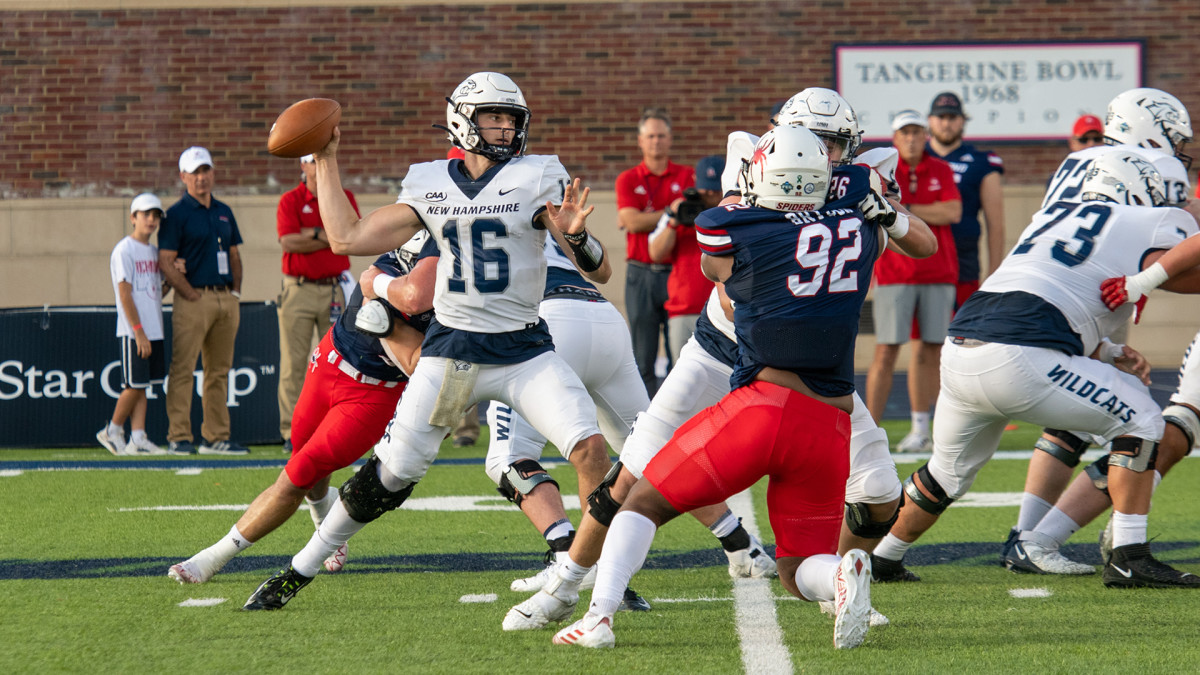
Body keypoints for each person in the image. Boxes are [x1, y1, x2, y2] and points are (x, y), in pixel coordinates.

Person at [241, 71, 615, 611]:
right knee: (390, 476)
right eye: (494, 116)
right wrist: (324, 159)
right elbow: (347, 238)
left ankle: (588, 584)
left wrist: (578, 236)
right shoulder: (429, 181)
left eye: (512, 118)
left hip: (524, 351)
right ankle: (300, 568)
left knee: (590, 451)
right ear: (464, 120)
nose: (506, 127)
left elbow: (598, 272)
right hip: (452, 354)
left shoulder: (539, 176)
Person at [551, 124, 931, 650]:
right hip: (831, 422)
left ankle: (597, 620)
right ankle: (841, 577)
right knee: (799, 570)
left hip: (765, 406)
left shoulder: (737, 227)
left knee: (642, 502)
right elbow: (913, 238)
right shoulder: (861, 228)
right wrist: (868, 200)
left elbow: (714, 264)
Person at [871, 150, 1200, 589]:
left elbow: (1047, 293)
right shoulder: (1146, 220)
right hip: (1020, 356)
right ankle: (1129, 556)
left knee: (946, 472)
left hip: (964, 344)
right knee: (1141, 417)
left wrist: (1104, 351)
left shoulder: (1051, 217)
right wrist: (1143, 282)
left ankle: (883, 558)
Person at [999, 87, 1197, 571]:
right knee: (1145, 421)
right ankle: (1081, 540)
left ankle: (1028, 534)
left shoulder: (1077, 161)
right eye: (1172, 137)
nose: (1178, 150)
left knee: (1078, 420)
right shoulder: (1150, 166)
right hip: (1099, 288)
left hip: (1051, 282)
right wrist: (1143, 280)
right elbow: (1178, 245)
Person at [168, 236, 437, 583]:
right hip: (330, 362)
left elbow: (419, 364)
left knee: (299, 473)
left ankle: (211, 558)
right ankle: (325, 516)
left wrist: (393, 326)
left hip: (374, 395)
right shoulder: (387, 271)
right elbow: (380, 297)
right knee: (301, 450)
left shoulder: (452, 294)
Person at [484, 233, 654, 611]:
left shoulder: (458, 203)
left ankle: (568, 555)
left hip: (544, 320)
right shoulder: (546, 205)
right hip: (603, 314)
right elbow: (603, 268)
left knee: (507, 458)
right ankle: (740, 543)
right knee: (652, 454)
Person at [864, 110, 962, 453]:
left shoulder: (941, 168)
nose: (911, 138)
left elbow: (953, 211)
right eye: (904, 132)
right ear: (895, 137)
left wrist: (905, 208)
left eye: (916, 132)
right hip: (895, 271)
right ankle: (868, 430)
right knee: (887, 349)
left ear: (926, 135)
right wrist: (922, 211)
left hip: (938, 269)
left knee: (930, 350)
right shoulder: (882, 171)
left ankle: (922, 428)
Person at [157, 146, 250, 456]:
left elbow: (234, 253)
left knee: (219, 371)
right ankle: (179, 436)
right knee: (183, 369)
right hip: (193, 299)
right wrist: (189, 293)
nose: (201, 178)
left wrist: (236, 291)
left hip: (226, 298)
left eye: (205, 170)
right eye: (194, 172)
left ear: (213, 173)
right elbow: (166, 261)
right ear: (183, 177)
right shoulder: (176, 215)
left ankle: (215, 437)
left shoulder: (224, 210)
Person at [275, 154, 358, 453]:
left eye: (319, 160)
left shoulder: (343, 196)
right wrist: (325, 236)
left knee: (337, 362)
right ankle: (291, 431)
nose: (315, 165)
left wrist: (311, 235)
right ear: (303, 165)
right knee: (294, 364)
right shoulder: (290, 200)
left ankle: (333, 427)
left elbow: (351, 236)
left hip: (335, 287)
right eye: (310, 161)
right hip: (299, 289)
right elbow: (288, 241)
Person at [615, 108, 694, 396]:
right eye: (650, 136)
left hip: (677, 273)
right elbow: (631, 221)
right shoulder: (628, 178)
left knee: (682, 357)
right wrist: (672, 212)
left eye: (661, 136)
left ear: (670, 139)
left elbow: (636, 220)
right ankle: (642, 421)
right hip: (641, 273)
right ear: (640, 141)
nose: (656, 142)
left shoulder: (688, 176)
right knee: (642, 356)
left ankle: (678, 424)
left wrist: (641, 218)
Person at [96, 193, 171, 456]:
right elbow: (125, 294)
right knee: (134, 385)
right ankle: (112, 430)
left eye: (155, 215)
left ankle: (138, 437)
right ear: (133, 218)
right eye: (145, 214)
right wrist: (138, 332)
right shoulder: (124, 250)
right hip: (134, 331)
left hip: (154, 329)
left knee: (144, 385)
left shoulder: (153, 251)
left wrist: (172, 277)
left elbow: (154, 292)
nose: (151, 220)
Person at [925, 91, 1005, 310]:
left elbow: (996, 225)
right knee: (923, 339)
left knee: (963, 334)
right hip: (921, 260)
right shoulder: (913, 159)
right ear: (930, 120)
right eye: (941, 117)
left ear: (962, 121)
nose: (946, 123)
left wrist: (994, 274)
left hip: (963, 261)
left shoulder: (981, 162)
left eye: (952, 117)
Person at [648, 155, 721, 364]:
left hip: (721, 309)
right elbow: (656, 253)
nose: (710, 195)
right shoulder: (681, 210)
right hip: (684, 309)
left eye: (716, 190)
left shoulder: (733, 211)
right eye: (706, 189)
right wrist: (673, 220)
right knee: (682, 372)